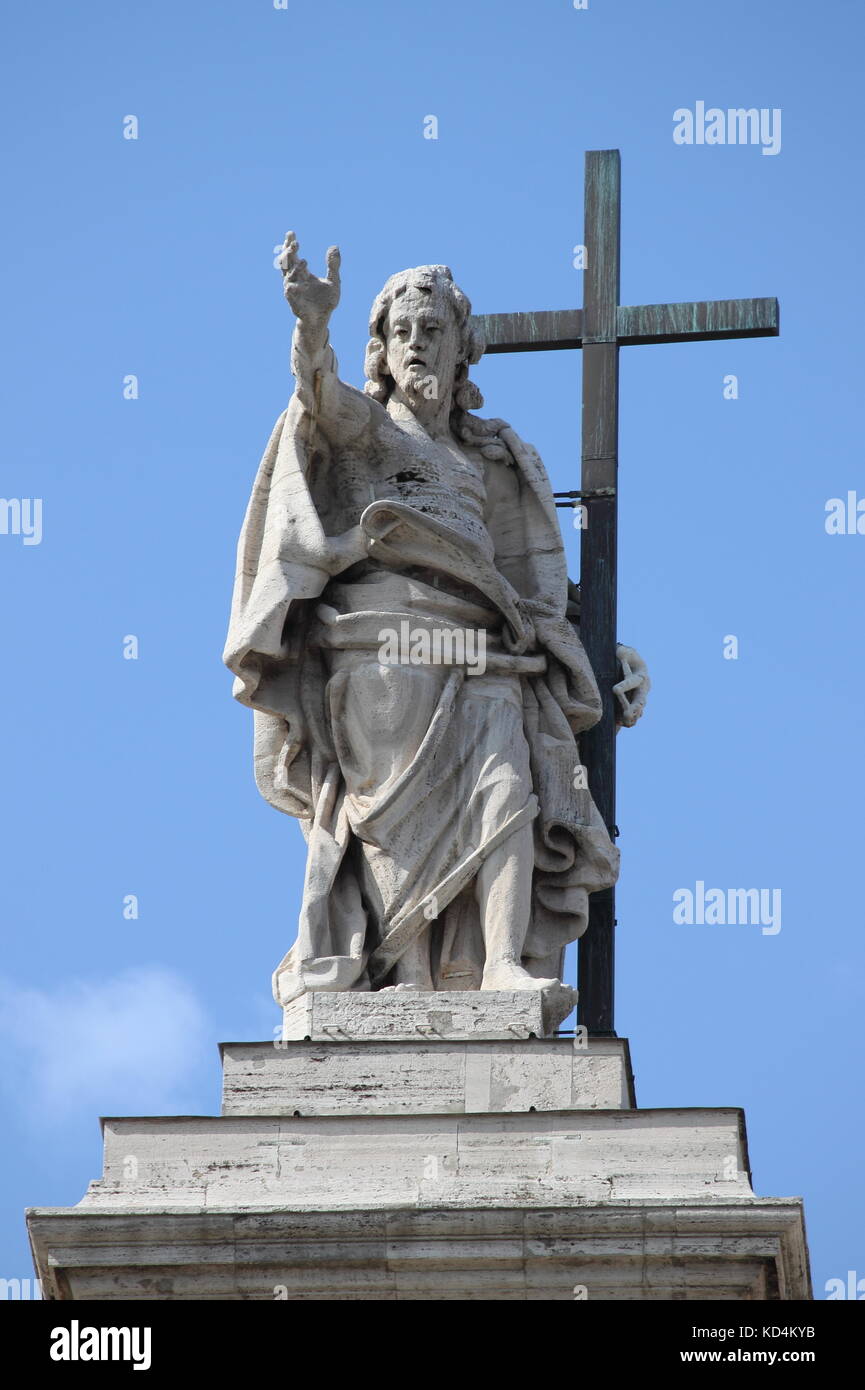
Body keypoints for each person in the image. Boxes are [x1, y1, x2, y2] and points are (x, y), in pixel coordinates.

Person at [224, 236, 648, 1005]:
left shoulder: (492, 457)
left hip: (486, 649)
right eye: (401, 331)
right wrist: (312, 324)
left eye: (432, 330)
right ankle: (406, 971)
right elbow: (314, 390)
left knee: (506, 787)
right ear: (381, 351)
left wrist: (601, 649)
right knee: (392, 812)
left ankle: (498, 967)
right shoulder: (367, 428)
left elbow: (530, 583)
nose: (416, 344)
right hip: (380, 645)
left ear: (461, 350)